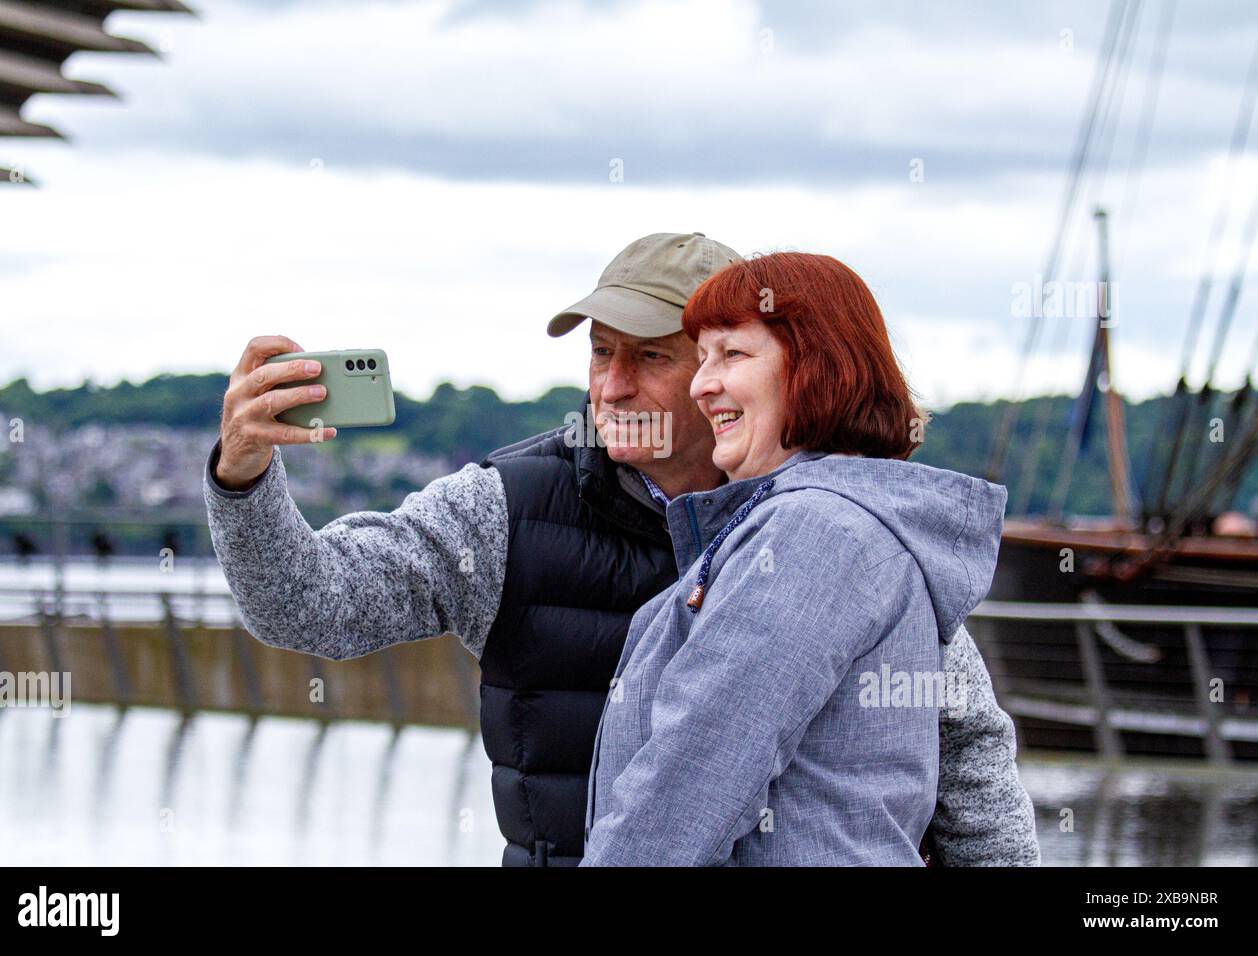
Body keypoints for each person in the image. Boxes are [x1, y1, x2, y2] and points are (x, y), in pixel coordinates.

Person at [203, 232, 1039, 866]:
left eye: (651, 356)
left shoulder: (821, 533)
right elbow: (306, 602)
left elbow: (967, 761)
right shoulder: (511, 506)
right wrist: (241, 477)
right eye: (600, 352)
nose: (610, 386)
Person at [581, 250, 1018, 865]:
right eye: (701, 357)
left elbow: (691, 781)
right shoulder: (848, 524)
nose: (703, 384)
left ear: (815, 366)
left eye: (732, 355)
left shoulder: (815, 534)